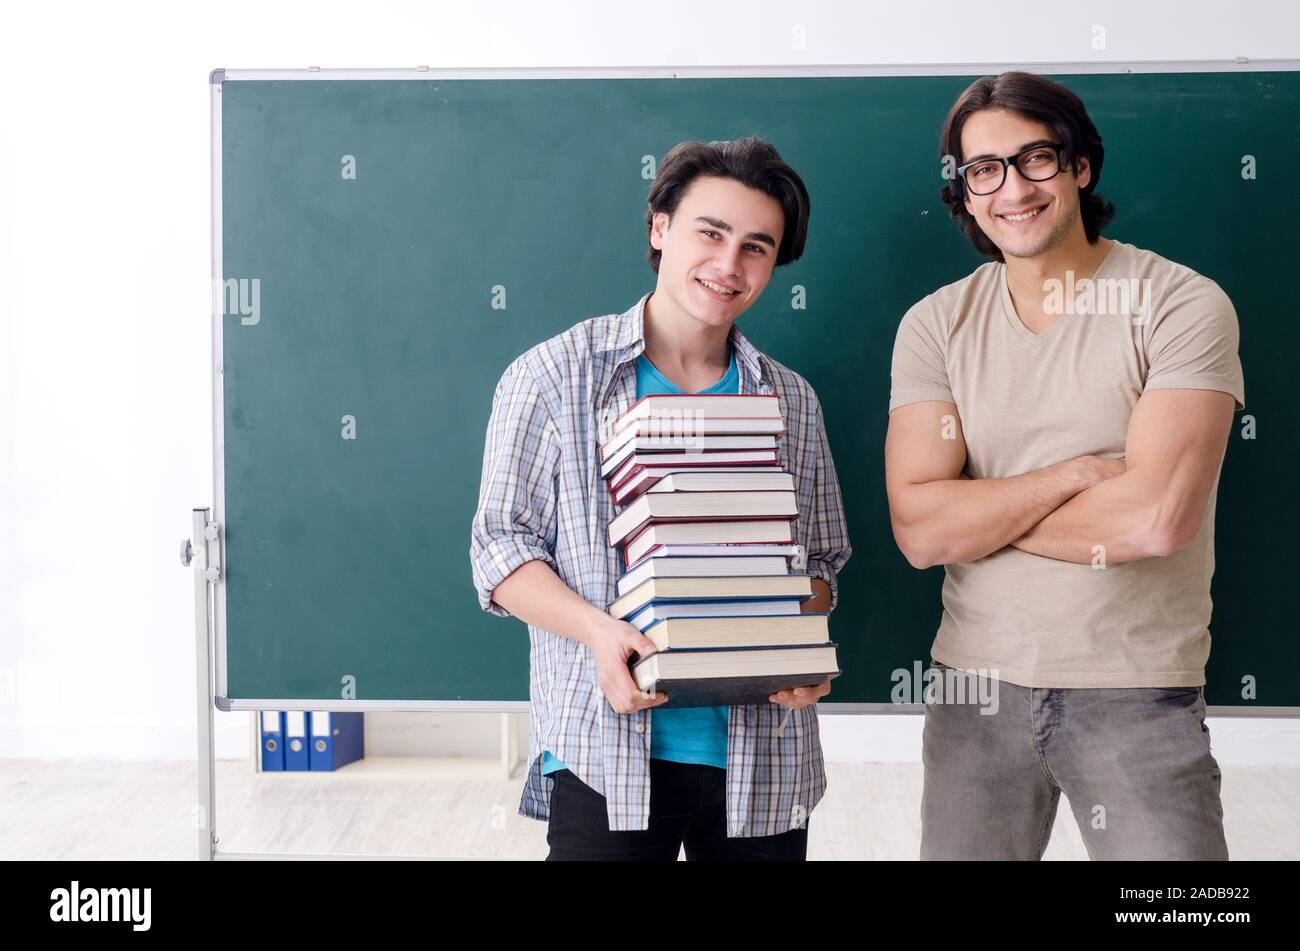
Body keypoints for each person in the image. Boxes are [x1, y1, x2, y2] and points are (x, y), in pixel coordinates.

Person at [886, 71, 1243, 860]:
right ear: (966, 192)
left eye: (1036, 158)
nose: (1012, 188)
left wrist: (976, 511)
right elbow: (918, 529)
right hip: (971, 689)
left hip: (1138, 690)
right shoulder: (935, 326)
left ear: (1080, 165)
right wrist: (1077, 474)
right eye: (985, 169)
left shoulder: (1180, 304)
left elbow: (1155, 518)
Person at [470, 136, 851, 860]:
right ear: (659, 228)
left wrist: (802, 649)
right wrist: (596, 630)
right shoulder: (553, 376)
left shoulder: (792, 401)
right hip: (604, 749)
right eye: (711, 232)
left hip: (762, 758)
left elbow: (823, 563)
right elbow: (499, 548)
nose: (728, 265)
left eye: (756, 247)